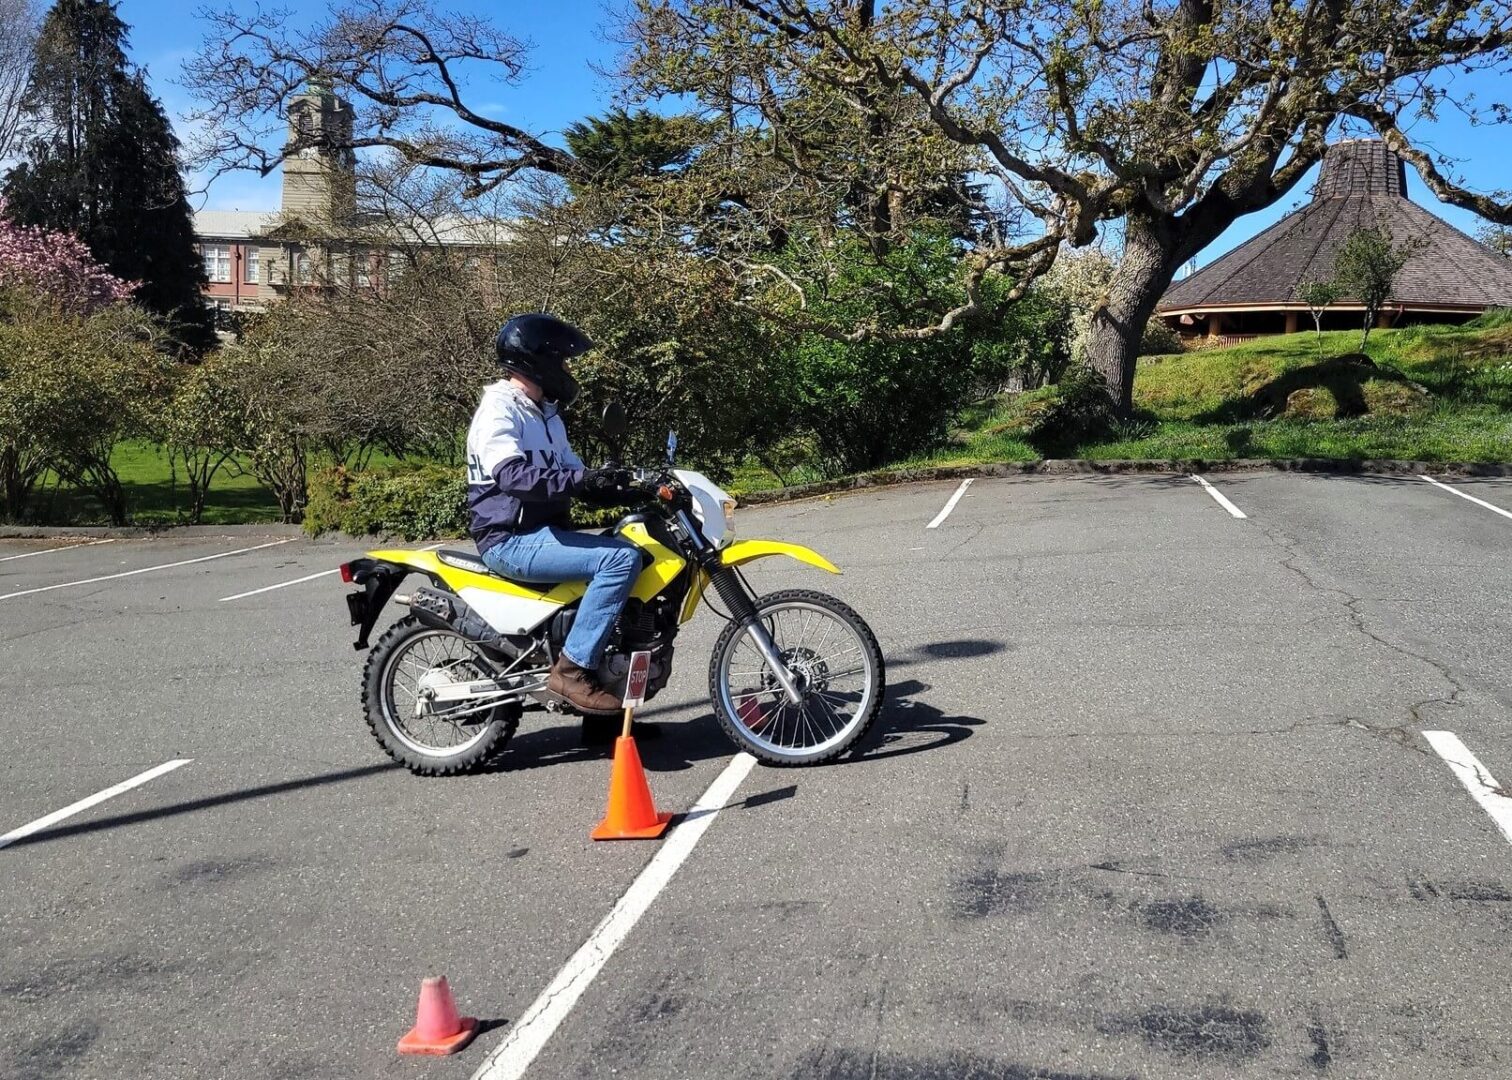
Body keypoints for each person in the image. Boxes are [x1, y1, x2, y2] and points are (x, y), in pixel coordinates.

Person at [466, 313, 640, 714]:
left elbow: (573, 476)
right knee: (618, 560)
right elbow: (515, 478)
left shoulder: (546, 415)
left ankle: (604, 713)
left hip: (542, 533)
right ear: (537, 360)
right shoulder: (499, 409)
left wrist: (627, 488)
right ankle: (571, 670)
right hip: (510, 539)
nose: (565, 371)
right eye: (561, 362)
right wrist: (582, 480)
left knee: (632, 544)